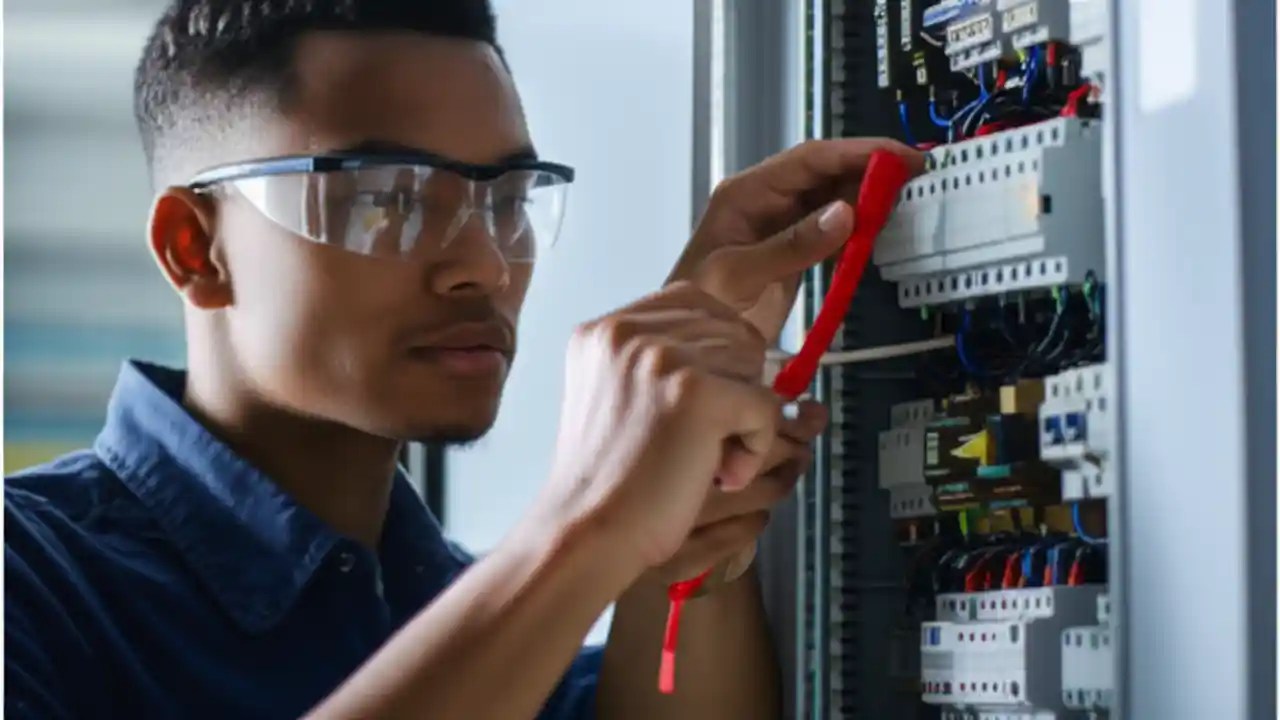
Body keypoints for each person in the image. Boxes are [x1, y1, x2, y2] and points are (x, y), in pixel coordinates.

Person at [4, 1, 921, 718]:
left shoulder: (501, 623)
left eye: (509, 197)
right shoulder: (33, 583)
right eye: (387, 201)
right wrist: (585, 523)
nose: (486, 263)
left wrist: (691, 506)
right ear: (194, 250)